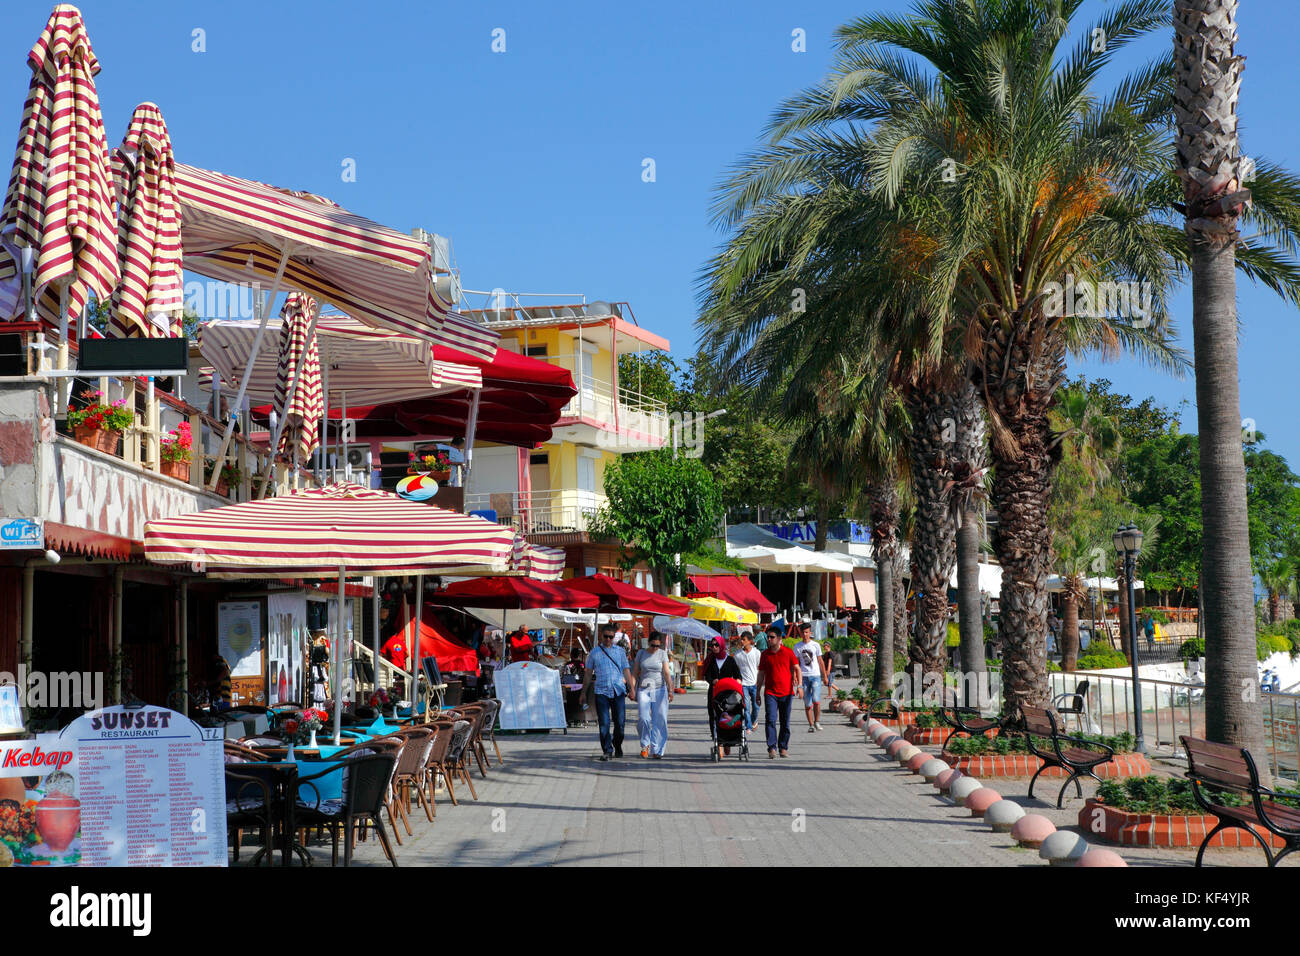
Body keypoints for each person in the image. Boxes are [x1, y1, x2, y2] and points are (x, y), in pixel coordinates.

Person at [582, 625, 634, 761]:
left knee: (620, 724)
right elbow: (588, 674)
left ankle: (617, 744)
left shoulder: (620, 652)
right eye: (606, 636)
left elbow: (626, 671)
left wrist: (632, 688)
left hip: (618, 691)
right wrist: (583, 693)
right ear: (601, 636)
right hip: (601, 692)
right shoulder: (594, 653)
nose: (608, 639)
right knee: (604, 723)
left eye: (611, 637)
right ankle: (607, 750)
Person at [757, 626, 801, 757]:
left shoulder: (788, 652)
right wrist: (757, 691)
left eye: (772, 637)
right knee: (770, 719)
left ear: (779, 638)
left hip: (786, 693)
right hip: (770, 692)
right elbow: (761, 673)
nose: (769, 640)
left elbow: (797, 668)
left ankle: (783, 747)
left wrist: (800, 686)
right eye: (768, 637)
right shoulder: (764, 654)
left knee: (785, 721)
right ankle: (772, 747)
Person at [632, 632, 674, 758]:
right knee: (644, 718)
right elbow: (635, 672)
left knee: (659, 719)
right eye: (653, 645)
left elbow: (666, 673)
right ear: (648, 642)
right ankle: (645, 744)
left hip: (659, 689)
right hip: (644, 689)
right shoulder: (641, 653)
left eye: (657, 646)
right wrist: (632, 689)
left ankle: (657, 749)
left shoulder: (662, 654)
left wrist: (670, 689)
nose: (655, 648)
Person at [701, 636, 741, 758]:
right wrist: (712, 681)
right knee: (714, 716)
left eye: (716, 645)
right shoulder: (710, 660)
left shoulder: (730, 660)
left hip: (728, 694)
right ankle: (718, 742)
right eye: (712, 645)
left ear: (722, 646)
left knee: (728, 716)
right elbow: (706, 676)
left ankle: (728, 741)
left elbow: (737, 675)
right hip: (714, 693)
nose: (714, 647)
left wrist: (738, 682)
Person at [794, 624, 827, 731]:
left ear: (810, 633)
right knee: (807, 703)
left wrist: (825, 676)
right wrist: (795, 677)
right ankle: (811, 725)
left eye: (807, 632)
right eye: (803, 632)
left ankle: (817, 721)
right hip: (804, 677)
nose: (805, 634)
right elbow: (796, 664)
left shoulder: (815, 645)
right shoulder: (797, 646)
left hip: (815, 675)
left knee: (816, 699)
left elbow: (820, 661)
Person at [734, 630, 762, 732]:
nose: (742, 641)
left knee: (756, 706)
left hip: (754, 684)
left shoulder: (757, 653)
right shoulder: (737, 654)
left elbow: (759, 667)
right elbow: (736, 669)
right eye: (741, 639)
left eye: (744, 639)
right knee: (746, 706)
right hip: (743, 684)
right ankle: (748, 726)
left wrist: (759, 681)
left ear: (750, 641)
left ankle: (754, 721)